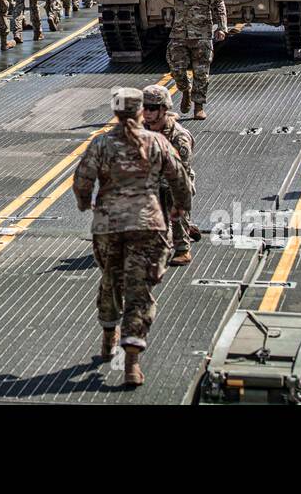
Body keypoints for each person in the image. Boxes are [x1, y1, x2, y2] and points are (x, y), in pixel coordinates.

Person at [72, 87, 187, 387]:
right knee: (139, 289)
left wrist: (86, 204)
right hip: (147, 225)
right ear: (139, 112)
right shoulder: (157, 141)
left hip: (108, 225)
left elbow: (82, 180)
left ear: (115, 112)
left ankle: (109, 335)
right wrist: (179, 208)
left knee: (110, 278)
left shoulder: (100, 143)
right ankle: (132, 363)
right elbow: (179, 179)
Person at [130, 0, 227, 119]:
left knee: (201, 72)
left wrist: (221, 27)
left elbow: (219, 5)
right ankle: (185, 90)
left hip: (202, 33)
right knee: (176, 69)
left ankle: (198, 106)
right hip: (180, 33)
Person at [141, 84, 199, 266]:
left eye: (152, 108)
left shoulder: (179, 137)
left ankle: (182, 248)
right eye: (144, 108)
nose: (147, 113)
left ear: (164, 109)